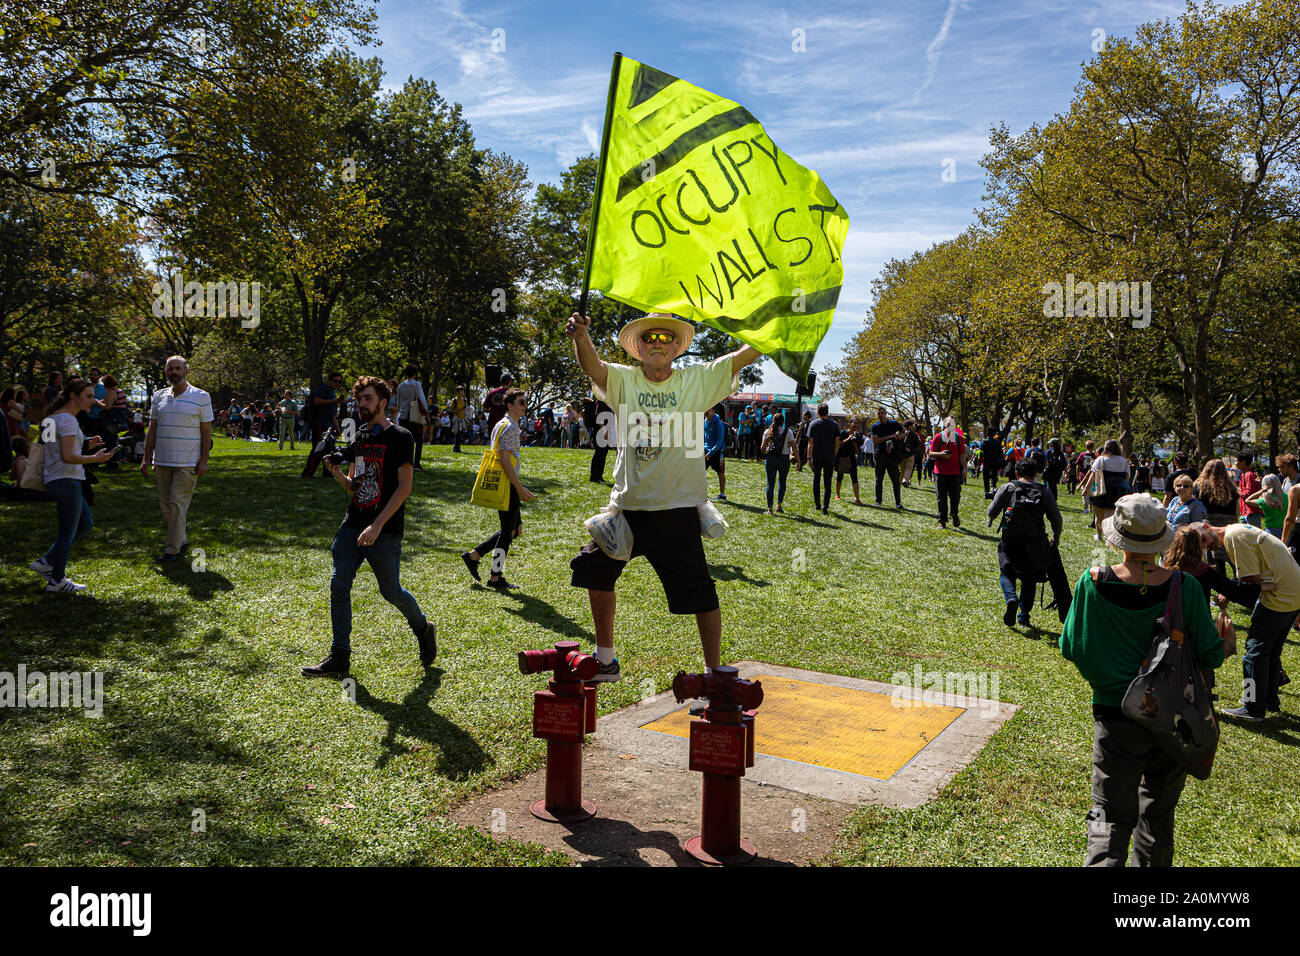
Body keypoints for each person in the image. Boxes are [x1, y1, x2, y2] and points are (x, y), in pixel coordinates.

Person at [564, 310, 759, 709]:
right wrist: (580, 336)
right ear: (639, 348)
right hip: (628, 510)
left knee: (701, 594)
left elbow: (739, 358)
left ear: (675, 348)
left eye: (664, 338)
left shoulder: (696, 380)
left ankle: (713, 678)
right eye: (649, 337)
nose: (656, 342)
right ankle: (605, 660)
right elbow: (595, 369)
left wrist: (773, 336)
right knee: (592, 570)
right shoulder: (624, 380)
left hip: (677, 510)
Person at [1060, 495, 1223, 866]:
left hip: (1115, 715)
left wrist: (1111, 681)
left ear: (1117, 538)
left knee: (1107, 816)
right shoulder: (1185, 586)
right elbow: (1211, 655)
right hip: (1173, 718)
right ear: (1159, 539)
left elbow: (1071, 647)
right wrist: (1225, 642)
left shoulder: (1093, 581)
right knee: (1157, 818)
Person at [302, 376, 436, 677]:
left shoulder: (401, 437)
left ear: (382, 402)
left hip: (384, 529)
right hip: (353, 524)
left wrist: (376, 526)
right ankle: (340, 655)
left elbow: (404, 488)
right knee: (339, 584)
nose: (361, 404)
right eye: (359, 399)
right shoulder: (360, 437)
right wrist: (335, 472)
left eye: (367, 398)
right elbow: (354, 487)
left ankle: (423, 628)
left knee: (391, 591)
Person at [1192, 522, 1300, 721]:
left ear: (1207, 527)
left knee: (1254, 652)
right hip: (1293, 592)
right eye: (1203, 546)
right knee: (1271, 650)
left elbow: (1249, 579)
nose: (1206, 546)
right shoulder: (1240, 529)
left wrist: (1229, 592)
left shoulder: (1234, 537)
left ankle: (1252, 707)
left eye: (1204, 540)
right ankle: (1269, 700)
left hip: (1278, 595)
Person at [28, 378, 117, 592]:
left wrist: (86, 442)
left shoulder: (51, 418)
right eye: (88, 396)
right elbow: (67, 456)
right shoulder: (68, 420)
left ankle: (47, 562)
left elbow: (52, 448)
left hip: (54, 478)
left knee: (84, 524)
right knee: (68, 531)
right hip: (67, 479)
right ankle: (56, 580)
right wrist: (95, 458)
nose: (93, 400)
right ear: (72, 396)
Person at [462, 388, 536, 591]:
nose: (524, 406)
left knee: (515, 530)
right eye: (521, 402)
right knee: (508, 531)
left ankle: (474, 556)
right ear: (509, 405)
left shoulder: (505, 424)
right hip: (507, 484)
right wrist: (518, 487)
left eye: (525, 402)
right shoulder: (509, 427)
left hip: (508, 483)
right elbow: (505, 460)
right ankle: (495, 577)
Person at [141, 355, 212, 563]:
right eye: (170, 369)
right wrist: (146, 458)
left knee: (176, 505)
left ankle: (172, 550)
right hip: (161, 461)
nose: (174, 372)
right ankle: (181, 539)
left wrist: (204, 460)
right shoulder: (159, 396)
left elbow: (206, 432)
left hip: (188, 462)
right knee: (166, 506)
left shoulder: (201, 396)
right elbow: (152, 430)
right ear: (166, 372)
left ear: (186, 371)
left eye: (178, 368)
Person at [988, 457, 1065, 628]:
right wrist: (1055, 537)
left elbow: (992, 510)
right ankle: (1024, 616)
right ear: (1036, 474)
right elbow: (1056, 519)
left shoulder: (1008, 487)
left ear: (1017, 472)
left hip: (1010, 540)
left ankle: (1011, 598)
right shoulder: (1044, 492)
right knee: (1029, 579)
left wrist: (993, 517)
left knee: (1006, 572)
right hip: (1035, 542)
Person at [302, 373, 345, 477]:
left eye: (339, 382)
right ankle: (308, 473)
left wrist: (337, 428)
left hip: (329, 425)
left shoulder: (333, 393)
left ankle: (328, 473)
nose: (337, 383)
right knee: (318, 449)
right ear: (329, 380)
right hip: (319, 423)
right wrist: (335, 401)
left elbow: (332, 414)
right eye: (335, 381)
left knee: (329, 450)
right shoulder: (322, 388)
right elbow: (316, 401)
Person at [1088, 440, 1131, 541]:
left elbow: (1093, 475)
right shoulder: (1124, 461)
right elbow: (1127, 477)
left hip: (1102, 488)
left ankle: (1099, 536)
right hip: (1119, 490)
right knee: (1112, 515)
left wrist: (1086, 488)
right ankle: (1109, 538)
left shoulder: (1101, 459)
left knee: (1099, 515)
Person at [928, 417, 967, 529]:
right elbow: (930, 453)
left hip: (955, 473)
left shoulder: (959, 439)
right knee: (941, 497)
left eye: (953, 423)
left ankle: (954, 514)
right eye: (949, 423)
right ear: (945, 424)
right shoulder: (938, 437)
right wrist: (941, 454)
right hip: (940, 472)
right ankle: (942, 521)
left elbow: (962, 455)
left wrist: (964, 468)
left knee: (955, 497)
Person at [869, 407, 906, 509]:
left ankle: (898, 503)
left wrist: (901, 436)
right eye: (878, 413)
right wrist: (890, 436)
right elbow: (875, 441)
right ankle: (878, 501)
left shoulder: (894, 423)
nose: (880, 415)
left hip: (892, 455)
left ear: (885, 413)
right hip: (880, 454)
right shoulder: (875, 426)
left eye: (882, 413)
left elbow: (905, 431)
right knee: (879, 479)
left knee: (895, 480)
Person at [395, 365, 429, 469]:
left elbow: (398, 402)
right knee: (418, 440)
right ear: (415, 373)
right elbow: (421, 399)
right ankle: (416, 463)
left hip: (403, 415)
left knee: (404, 440)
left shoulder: (400, 386)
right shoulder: (417, 384)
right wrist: (426, 411)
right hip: (415, 416)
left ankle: (403, 461)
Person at [806, 403, 838, 515]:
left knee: (816, 480)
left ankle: (817, 504)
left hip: (817, 456)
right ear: (827, 412)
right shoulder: (834, 425)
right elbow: (837, 442)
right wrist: (835, 455)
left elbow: (810, 443)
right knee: (828, 482)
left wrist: (809, 458)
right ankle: (825, 506)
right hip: (829, 456)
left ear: (818, 413)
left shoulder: (813, 424)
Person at [761, 411, 795, 514]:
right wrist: (798, 459)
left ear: (773, 421)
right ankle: (779, 505)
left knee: (770, 484)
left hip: (771, 458)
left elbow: (762, 447)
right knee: (782, 482)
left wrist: (767, 453)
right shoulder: (788, 432)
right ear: (783, 422)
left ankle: (770, 509)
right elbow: (794, 447)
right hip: (784, 458)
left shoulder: (768, 431)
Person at [833, 419, 864, 504]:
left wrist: (854, 444)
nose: (855, 424)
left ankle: (857, 498)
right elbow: (838, 444)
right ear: (849, 424)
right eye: (854, 422)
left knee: (854, 477)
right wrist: (848, 439)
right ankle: (837, 495)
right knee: (840, 476)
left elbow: (857, 450)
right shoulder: (843, 433)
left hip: (851, 458)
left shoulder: (858, 435)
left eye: (857, 423)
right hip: (841, 457)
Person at [583, 394, 613, 482]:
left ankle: (599, 475)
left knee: (603, 453)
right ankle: (594, 476)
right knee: (599, 453)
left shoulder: (604, 401)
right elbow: (599, 418)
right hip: (600, 430)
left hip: (604, 430)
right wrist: (605, 431)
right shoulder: (601, 401)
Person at [703, 405, 727, 501]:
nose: (706, 411)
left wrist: (711, 452)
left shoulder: (718, 423)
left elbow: (720, 441)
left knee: (720, 472)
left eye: (708, 409)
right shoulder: (705, 422)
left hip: (717, 452)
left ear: (713, 411)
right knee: (701, 472)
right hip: (706, 451)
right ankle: (700, 492)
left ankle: (722, 494)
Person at [1237, 453, 1261, 528]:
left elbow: (1249, 493)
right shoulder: (1243, 474)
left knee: (1253, 536)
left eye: (1237, 461)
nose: (1235, 463)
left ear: (1243, 462)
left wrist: (1237, 492)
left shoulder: (1249, 475)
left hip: (1251, 512)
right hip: (1245, 512)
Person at [981, 430, 1004, 498]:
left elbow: (981, 451)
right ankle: (993, 488)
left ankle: (986, 490)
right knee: (994, 476)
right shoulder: (997, 442)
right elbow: (1000, 452)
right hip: (995, 461)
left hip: (987, 461)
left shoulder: (985, 442)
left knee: (986, 476)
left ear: (987, 433)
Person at [1044, 438, 1067, 502]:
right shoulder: (1060, 452)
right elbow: (1065, 464)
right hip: (1057, 473)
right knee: (1054, 485)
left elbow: (1045, 461)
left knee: (1051, 485)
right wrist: (1060, 470)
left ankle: (1051, 498)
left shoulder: (1048, 452)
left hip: (1050, 471)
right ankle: (1054, 497)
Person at [450, 385, 469, 453]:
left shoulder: (464, 400)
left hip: (463, 418)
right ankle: (456, 448)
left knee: (460, 434)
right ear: (457, 392)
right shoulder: (454, 400)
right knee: (457, 433)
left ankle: (457, 447)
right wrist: (460, 409)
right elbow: (451, 410)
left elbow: (466, 409)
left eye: (463, 391)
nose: (462, 392)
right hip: (457, 418)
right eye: (461, 391)